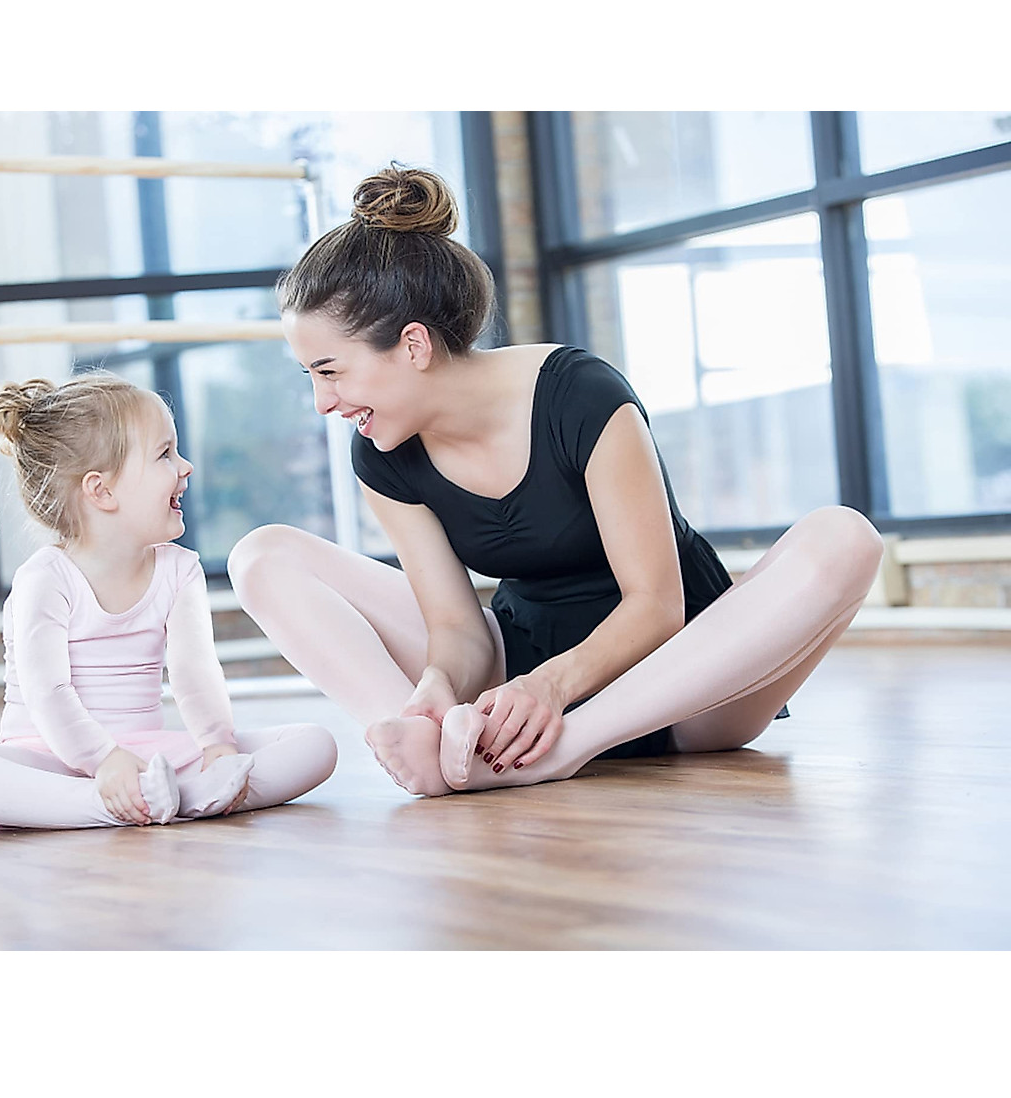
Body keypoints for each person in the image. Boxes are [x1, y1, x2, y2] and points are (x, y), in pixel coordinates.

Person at [227, 165, 885, 798]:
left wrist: (551, 688)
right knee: (263, 556)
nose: (322, 402)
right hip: (521, 668)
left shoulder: (580, 396)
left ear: (414, 346)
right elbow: (456, 626)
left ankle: (564, 750)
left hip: (681, 680)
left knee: (846, 537)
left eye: (330, 371)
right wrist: (437, 683)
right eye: (310, 377)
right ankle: (422, 744)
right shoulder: (383, 451)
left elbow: (656, 606)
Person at [0, 373, 337, 831]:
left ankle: (169, 796)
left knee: (314, 745)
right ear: (101, 491)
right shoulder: (45, 578)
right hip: (49, 758)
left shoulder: (180, 570)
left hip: (147, 756)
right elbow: (48, 694)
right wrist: (105, 760)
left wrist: (218, 748)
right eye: (164, 454)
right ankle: (114, 803)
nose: (185, 467)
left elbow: (195, 673)